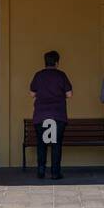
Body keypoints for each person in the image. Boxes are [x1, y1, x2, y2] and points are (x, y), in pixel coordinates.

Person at [29, 50, 72, 179]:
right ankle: (55, 172)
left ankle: (41, 170)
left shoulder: (38, 75)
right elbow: (69, 94)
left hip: (41, 115)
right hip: (57, 115)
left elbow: (32, 94)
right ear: (57, 63)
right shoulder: (61, 75)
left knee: (41, 144)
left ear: (45, 62)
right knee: (56, 144)